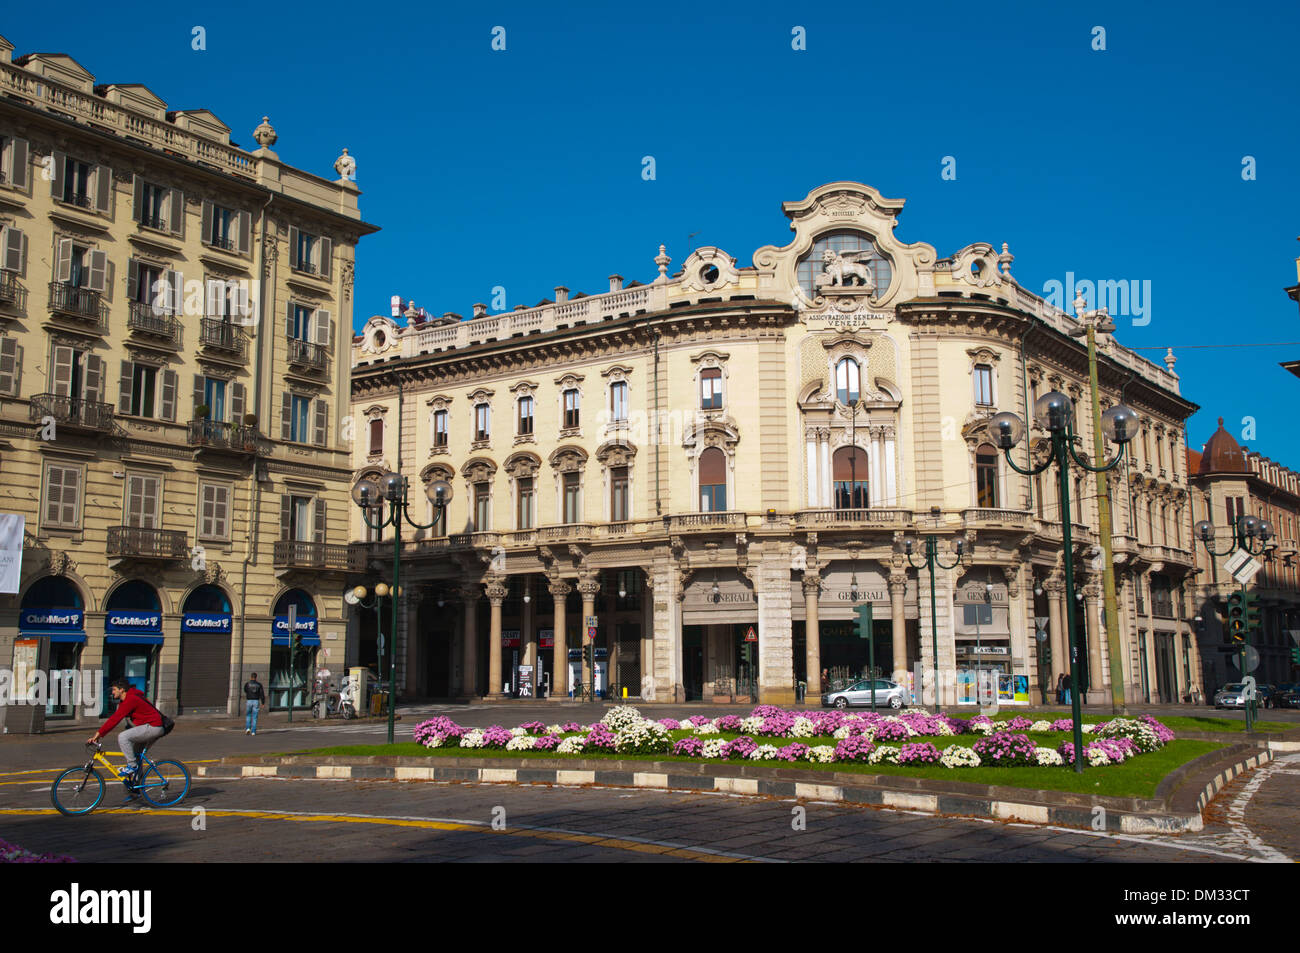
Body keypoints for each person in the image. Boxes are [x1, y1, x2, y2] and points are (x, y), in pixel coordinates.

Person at [87, 679, 166, 797]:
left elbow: (114, 719)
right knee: (136, 755)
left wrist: (98, 734)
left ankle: (131, 766)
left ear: (121, 689)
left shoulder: (131, 699)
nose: (112, 693)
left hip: (154, 727)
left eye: (114, 690)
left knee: (123, 737)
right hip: (148, 727)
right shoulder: (125, 701)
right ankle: (135, 789)